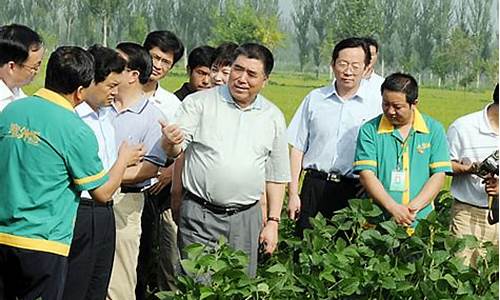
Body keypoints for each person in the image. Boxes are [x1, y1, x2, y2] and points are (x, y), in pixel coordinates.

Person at [0, 46, 141, 300]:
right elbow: (103, 193)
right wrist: (123, 160)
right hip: (44, 242)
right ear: (80, 91)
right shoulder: (74, 129)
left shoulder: (12, 111)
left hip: (4, 236)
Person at [162, 43, 290, 276]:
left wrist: (273, 222)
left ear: (265, 80)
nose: (241, 78)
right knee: (198, 285)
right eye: (237, 69)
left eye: (251, 74)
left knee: (237, 284)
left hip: (245, 218)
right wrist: (170, 141)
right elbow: (175, 149)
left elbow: (276, 174)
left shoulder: (272, 117)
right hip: (200, 214)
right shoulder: (199, 103)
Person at [62, 45, 141, 300]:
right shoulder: (73, 118)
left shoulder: (105, 114)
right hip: (82, 209)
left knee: (99, 282)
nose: (115, 93)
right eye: (110, 86)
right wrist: (123, 161)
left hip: (107, 210)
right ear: (89, 82)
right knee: (75, 283)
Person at [287, 37, 381, 236]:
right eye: (343, 64)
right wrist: (293, 193)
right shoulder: (315, 99)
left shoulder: (375, 106)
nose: (348, 71)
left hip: (354, 190)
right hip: (315, 185)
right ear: (332, 65)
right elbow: (297, 147)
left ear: (366, 70)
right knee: (306, 251)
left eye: (355, 66)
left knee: (347, 256)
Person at [106, 42, 167, 300]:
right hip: (87, 200)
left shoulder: (153, 116)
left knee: (120, 277)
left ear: (133, 75)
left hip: (126, 201)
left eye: (116, 65)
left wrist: (106, 179)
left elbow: (149, 168)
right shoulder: (97, 107)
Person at [353, 73, 452, 231]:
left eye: (397, 107)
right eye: (386, 104)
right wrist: (393, 208)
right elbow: (366, 174)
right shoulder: (369, 130)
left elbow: (439, 174)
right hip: (379, 223)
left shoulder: (433, 130)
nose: (390, 111)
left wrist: (411, 210)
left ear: (414, 104)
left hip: (419, 221)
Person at [136, 30, 184, 297]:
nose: (158, 65)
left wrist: (168, 173)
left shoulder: (172, 103)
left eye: (166, 62)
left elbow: (182, 149)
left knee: (146, 252)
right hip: (119, 184)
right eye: (154, 57)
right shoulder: (119, 91)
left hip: (154, 190)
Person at [447, 84, 499, 266]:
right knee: (461, 272)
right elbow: (441, 165)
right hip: (467, 214)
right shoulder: (463, 127)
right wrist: (468, 169)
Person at [0, 24, 44, 111]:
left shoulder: (17, 92)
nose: (37, 72)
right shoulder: (4, 104)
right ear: (12, 67)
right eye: (34, 67)